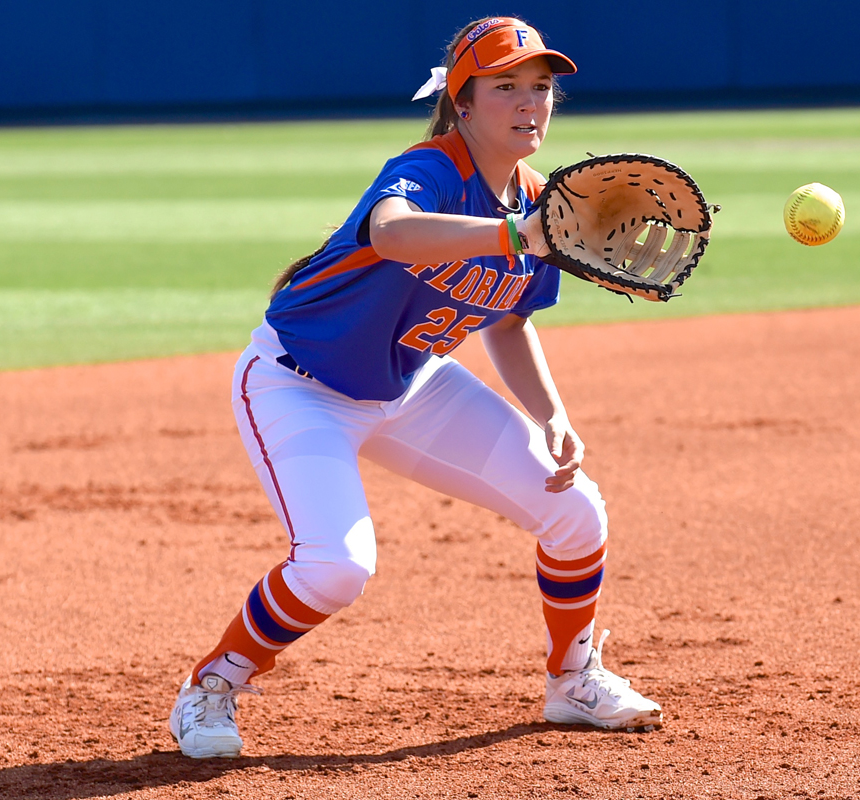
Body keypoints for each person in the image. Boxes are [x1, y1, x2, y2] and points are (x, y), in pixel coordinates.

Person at [169, 16, 662, 759]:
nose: (530, 103)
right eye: (507, 88)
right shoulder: (431, 168)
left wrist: (552, 415)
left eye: (542, 87)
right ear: (462, 103)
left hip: (412, 388)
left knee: (577, 513)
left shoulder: (538, 202)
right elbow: (393, 234)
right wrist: (513, 236)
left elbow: (509, 320)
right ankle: (214, 683)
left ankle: (573, 680)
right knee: (336, 567)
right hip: (299, 386)